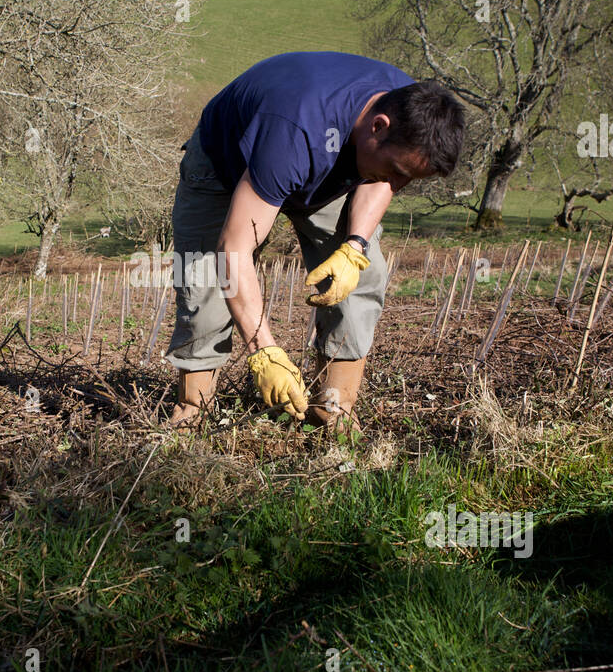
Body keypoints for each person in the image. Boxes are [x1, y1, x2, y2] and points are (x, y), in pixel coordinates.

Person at [166, 51, 464, 431]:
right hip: (226, 164)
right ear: (378, 126)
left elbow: (381, 180)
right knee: (206, 279)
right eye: (397, 170)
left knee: (362, 275)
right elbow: (233, 251)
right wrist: (264, 352)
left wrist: (354, 247)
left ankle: (335, 408)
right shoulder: (296, 129)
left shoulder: (410, 108)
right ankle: (193, 410)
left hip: (329, 164)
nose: (398, 184)